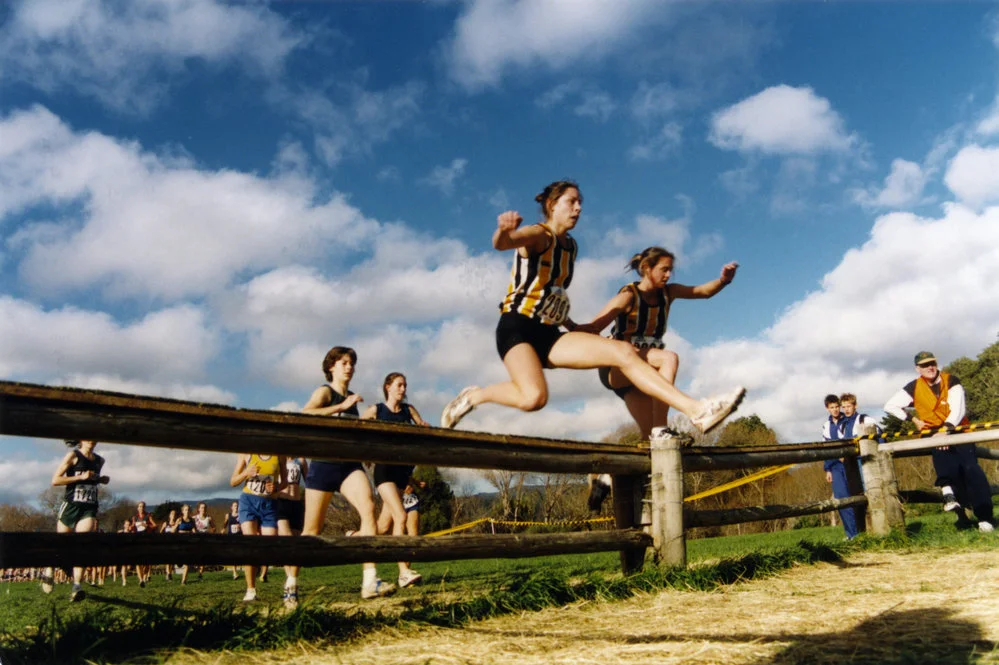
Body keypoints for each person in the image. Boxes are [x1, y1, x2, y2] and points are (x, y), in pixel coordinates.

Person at [440, 180, 745, 434]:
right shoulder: (538, 234)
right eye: (572, 201)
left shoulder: (571, 247)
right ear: (552, 205)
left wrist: (570, 323)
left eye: (580, 202)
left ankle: (697, 410)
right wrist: (505, 231)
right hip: (516, 326)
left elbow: (551, 294)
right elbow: (503, 243)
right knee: (534, 398)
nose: (579, 207)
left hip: (550, 332)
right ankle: (475, 396)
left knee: (622, 351)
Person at [577, 246, 739, 511]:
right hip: (616, 368)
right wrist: (572, 328)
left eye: (670, 269)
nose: (668, 274)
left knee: (648, 443)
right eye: (663, 269)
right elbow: (598, 323)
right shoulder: (629, 295)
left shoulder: (669, 293)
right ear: (646, 269)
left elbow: (703, 292)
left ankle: (605, 479)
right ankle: (661, 427)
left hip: (641, 376)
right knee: (669, 358)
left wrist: (723, 280)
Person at [286, 346, 397, 607]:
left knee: (369, 509)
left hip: (349, 465)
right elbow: (305, 414)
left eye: (352, 363)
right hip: (323, 465)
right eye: (344, 362)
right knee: (312, 531)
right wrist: (340, 407)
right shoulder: (326, 392)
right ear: (331, 367)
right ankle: (290, 586)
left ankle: (370, 580)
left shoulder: (351, 398)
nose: (349, 367)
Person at [884, 351, 995, 533]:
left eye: (932, 363)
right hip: (933, 434)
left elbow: (958, 409)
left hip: (958, 430)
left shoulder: (951, 381)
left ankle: (984, 517)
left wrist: (945, 431)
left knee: (971, 470)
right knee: (948, 467)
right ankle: (951, 498)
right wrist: (913, 420)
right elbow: (890, 405)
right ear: (917, 369)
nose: (930, 367)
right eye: (925, 365)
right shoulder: (914, 387)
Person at [361, 372, 431, 589]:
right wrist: (367, 453)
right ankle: (403, 573)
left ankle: (354, 537)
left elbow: (421, 426)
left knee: (382, 527)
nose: (403, 389)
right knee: (401, 516)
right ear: (388, 387)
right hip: (383, 472)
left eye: (405, 385)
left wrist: (424, 429)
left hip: (401, 473)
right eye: (399, 385)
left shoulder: (409, 411)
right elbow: (357, 431)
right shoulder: (376, 410)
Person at [40, 439, 110, 602]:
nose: (92, 440)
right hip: (71, 506)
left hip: (89, 507)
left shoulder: (100, 461)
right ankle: (49, 570)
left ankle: (77, 587)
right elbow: (56, 480)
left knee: (82, 545)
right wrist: (80, 477)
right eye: (88, 436)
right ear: (80, 439)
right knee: (62, 545)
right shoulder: (73, 456)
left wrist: (100, 480)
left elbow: (91, 479)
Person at [230, 452, 286, 601]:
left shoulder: (279, 455)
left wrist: (275, 487)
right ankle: (251, 590)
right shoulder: (246, 454)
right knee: (250, 545)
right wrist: (246, 473)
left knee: (268, 547)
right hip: (248, 502)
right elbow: (233, 481)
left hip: (269, 505)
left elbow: (285, 482)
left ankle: (258, 571)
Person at [820, 394, 859, 539]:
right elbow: (826, 448)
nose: (835, 410)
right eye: (832, 408)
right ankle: (850, 534)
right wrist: (828, 469)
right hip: (836, 466)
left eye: (837, 407)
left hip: (851, 464)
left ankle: (861, 531)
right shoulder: (826, 426)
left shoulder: (848, 421)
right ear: (827, 408)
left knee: (856, 497)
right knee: (841, 499)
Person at [276, 456, 308, 601]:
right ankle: (290, 585)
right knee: (287, 541)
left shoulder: (300, 460)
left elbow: (310, 481)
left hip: (296, 504)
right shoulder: (278, 458)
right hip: (281, 503)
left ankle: (291, 583)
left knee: (296, 546)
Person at [131, 501, 157, 587]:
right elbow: (132, 527)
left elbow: (155, 525)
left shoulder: (148, 516)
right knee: (138, 561)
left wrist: (147, 526)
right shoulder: (135, 517)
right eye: (139, 506)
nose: (141, 508)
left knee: (146, 563)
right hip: (138, 540)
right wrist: (131, 526)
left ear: (144, 507)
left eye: (142, 506)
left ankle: (145, 577)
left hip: (146, 539)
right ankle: (141, 580)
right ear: (137, 508)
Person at [193, 502, 215, 579]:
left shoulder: (208, 518)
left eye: (205, 507)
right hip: (196, 539)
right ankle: (196, 566)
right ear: (198, 509)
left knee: (203, 555)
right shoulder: (195, 518)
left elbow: (213, 528)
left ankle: (200, 573)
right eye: (202, 507)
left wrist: (210, 533)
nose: (203, 509)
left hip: (205, 539)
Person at [222, 500, 242, 579]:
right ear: (231, 507)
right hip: (231, 536)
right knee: (233, 554)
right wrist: (223, 529)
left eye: (237, 505)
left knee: (239, 554)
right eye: (234, 506)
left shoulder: (241, 515)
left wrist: (240, 526)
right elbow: (225, 523)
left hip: (239, 536)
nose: (236, 507)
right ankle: (234, 572)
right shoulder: (228, 515)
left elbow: (244, 524)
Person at [159, 509, 179, 581]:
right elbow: (161, 532)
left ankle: (170, 572)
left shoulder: (177, 524)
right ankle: (168, 573)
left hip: (174, 543)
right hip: (167, 543)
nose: (173, 515)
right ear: (169, 515)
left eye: (174, 514)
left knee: (172, 560)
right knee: (168, 559)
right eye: (172, 514)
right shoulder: (166, 523)